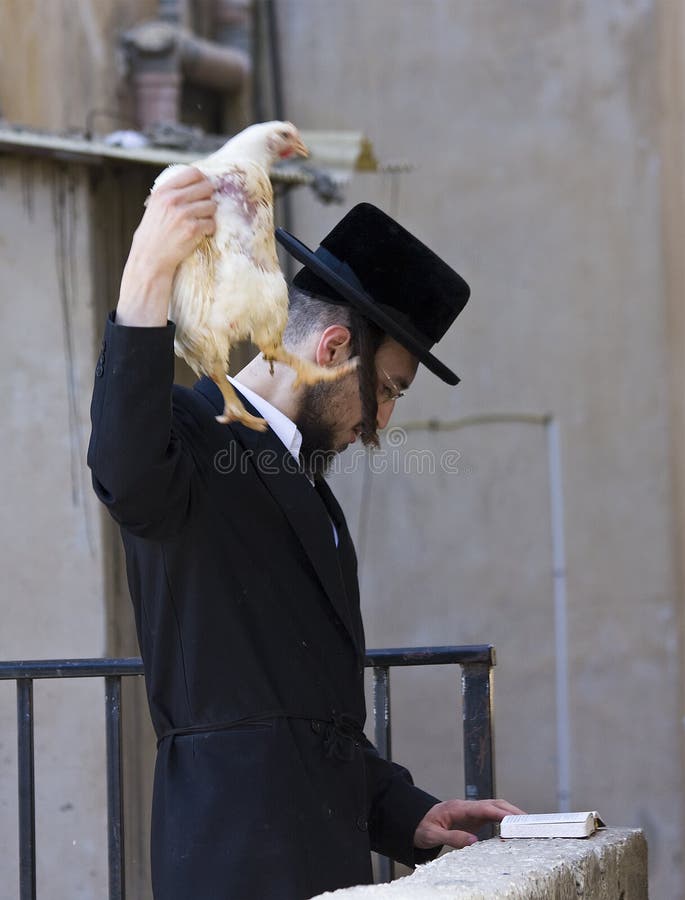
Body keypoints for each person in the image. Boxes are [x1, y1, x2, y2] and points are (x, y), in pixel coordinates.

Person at [88, 167, 522, 900]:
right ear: (331, 349)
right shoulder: (190, 436)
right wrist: (147, 274)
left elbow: (310, 718)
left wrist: (406, 814)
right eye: (385, 390)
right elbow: (123, 470)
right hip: (231, 865)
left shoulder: (311, 492)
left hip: (322, 867)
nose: (382, 421)